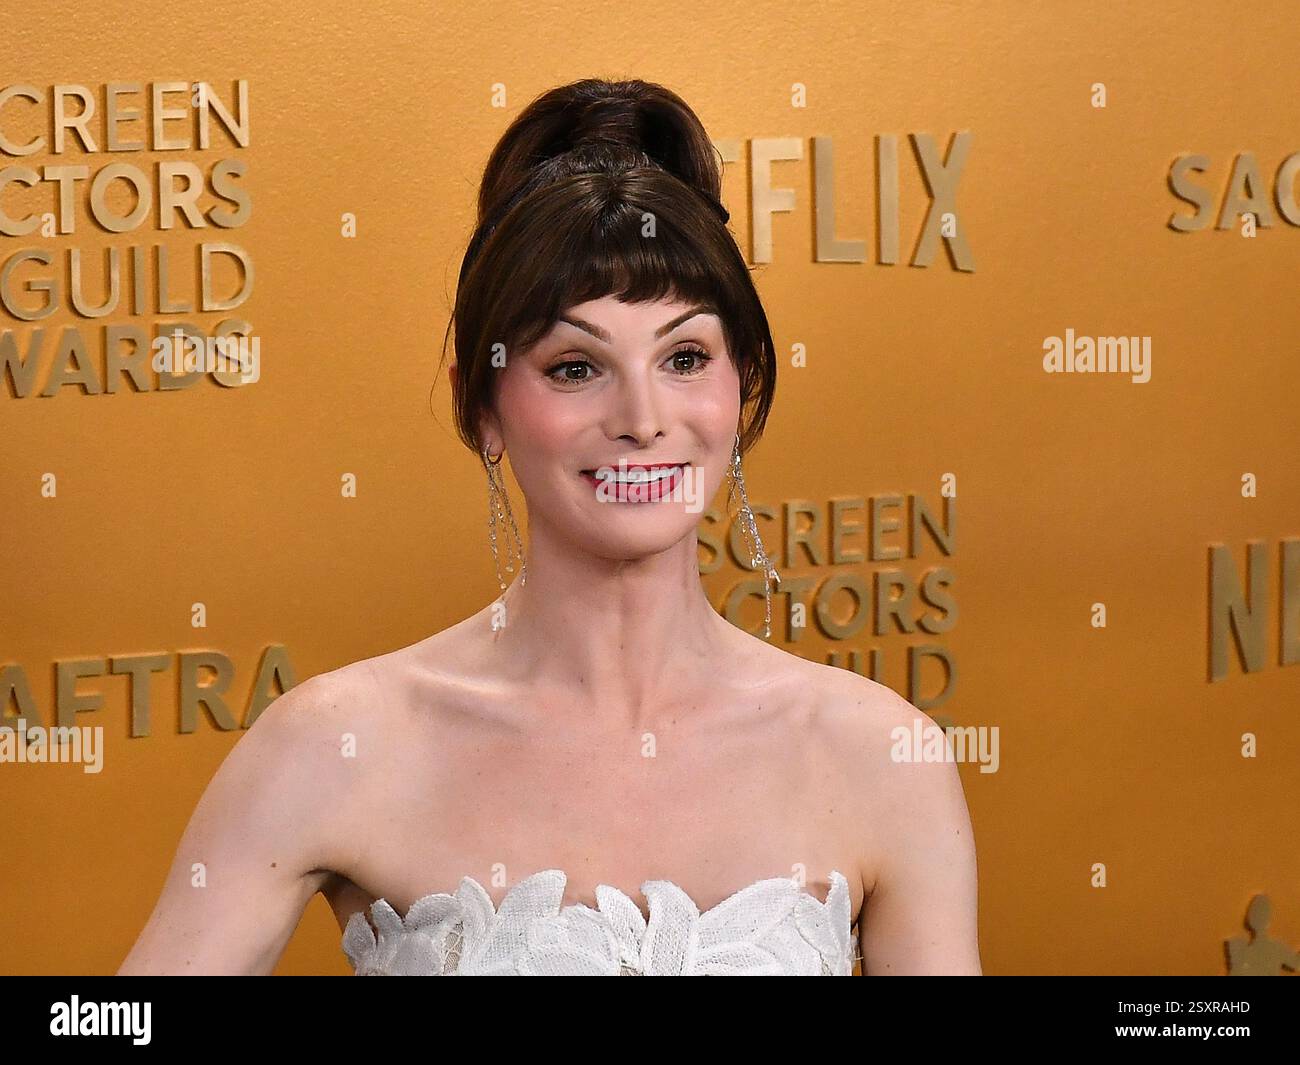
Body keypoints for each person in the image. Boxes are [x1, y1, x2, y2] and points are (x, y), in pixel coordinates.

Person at [118, 78, 981, 976]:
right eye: (575, 366)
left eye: (685, 356)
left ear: (743, 383)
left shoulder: (880, 755)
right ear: (481, 407)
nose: (642, 418)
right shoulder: (338, 743)